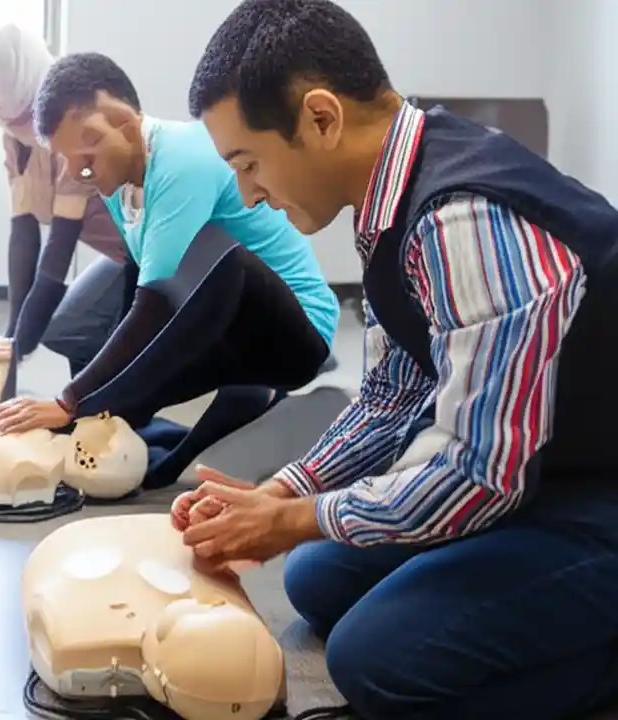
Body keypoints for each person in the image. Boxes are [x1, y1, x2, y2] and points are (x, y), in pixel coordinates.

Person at [176, 0, 618, 718]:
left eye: (248, 162)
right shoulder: (392, 196)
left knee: (375, 661)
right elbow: (392, 394)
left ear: (321, 119)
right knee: (317, 577)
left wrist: (291, 521)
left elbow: (479, 475)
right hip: (548, 463)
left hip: (593, 487)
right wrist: (285, 493)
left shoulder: (462, 217)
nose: (249, 192)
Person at [0, 52, 341, 489]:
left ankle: (249, 399)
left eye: (85, 154)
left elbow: (153, 307)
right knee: (92, 378)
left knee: (225, 266)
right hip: (220, 323)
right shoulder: (114, 176)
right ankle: (226, 403)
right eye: (67, 160)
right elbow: (135, 285)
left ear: (125, 124)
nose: (78, 172)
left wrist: (71, 399)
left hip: (293, 332)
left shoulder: (182, 162)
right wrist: (95, 404)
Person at [0, 24, 129, 373]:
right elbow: (24, 234)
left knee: (66, 328)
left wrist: (19, 346)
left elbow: (59, 250)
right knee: (61, 329)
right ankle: (91, 407)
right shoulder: (14, 135)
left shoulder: (67, 132)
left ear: (6, 86)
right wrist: (11, 333)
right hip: (124, 254)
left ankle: (110, 406)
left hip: (160, 255)